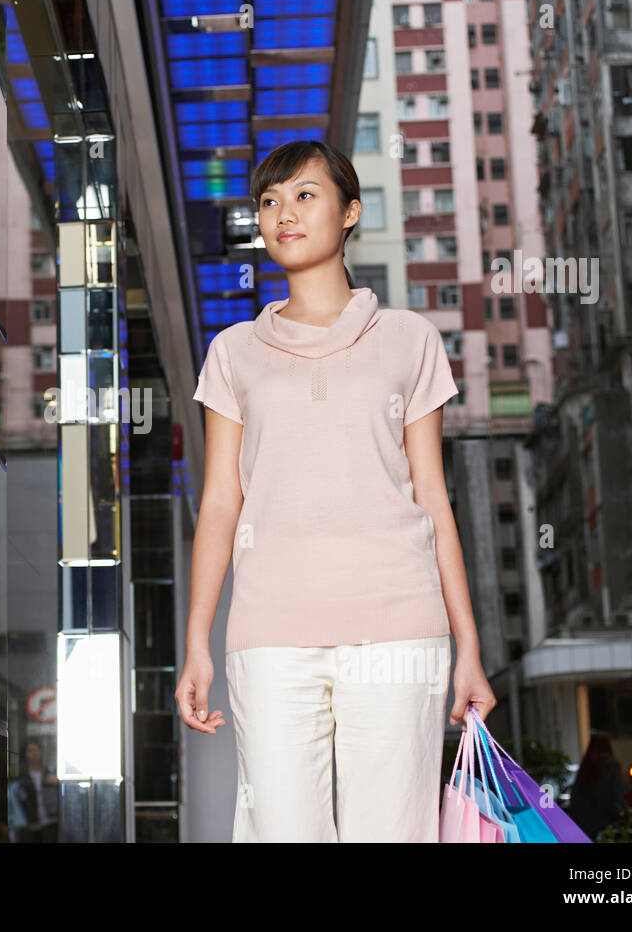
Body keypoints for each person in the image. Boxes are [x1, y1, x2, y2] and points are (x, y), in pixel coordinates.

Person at [176, 140, 496, 842]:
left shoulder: (410, 340)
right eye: (269, 200)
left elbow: (435, 501)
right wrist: (197, 641)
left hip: (399, 627)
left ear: (351, 211)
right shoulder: (232, 353)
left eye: (304, 194)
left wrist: (469, 647)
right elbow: (222, 504)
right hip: (268, 638)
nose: (283, 213)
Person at [566, 731, 626, 839]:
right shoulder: (611, 767)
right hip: (606, 828)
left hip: (584, 829)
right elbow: (617, 798)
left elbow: (575, 801)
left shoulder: (585, 768)